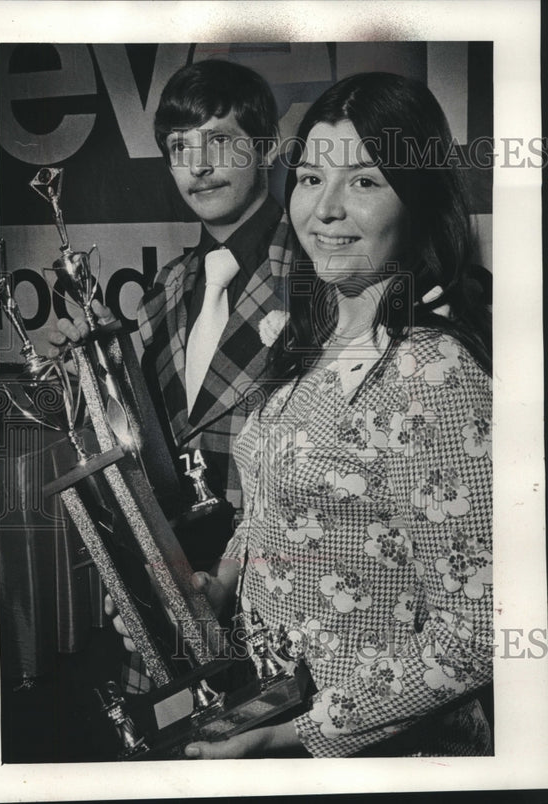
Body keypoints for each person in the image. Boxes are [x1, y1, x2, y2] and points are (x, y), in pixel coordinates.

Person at [173, 71, 493, 758]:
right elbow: (268, 504)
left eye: (365, 181)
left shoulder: (433, 374)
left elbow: (477, 632)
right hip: (271, 712)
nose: (326, 210)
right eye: (312, 178)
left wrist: (294, 734)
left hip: (378, 756)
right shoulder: (309, 340)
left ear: (418, 200)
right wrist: (222, 583)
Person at [48, 59, 296, 691]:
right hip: (181, 578)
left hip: (282, 577)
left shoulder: (316, 269)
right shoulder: (169, 284)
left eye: (220, 140)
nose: (199, 165)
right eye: (181, 147)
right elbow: (150, 442)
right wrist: (102, 366)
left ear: (264, 145)